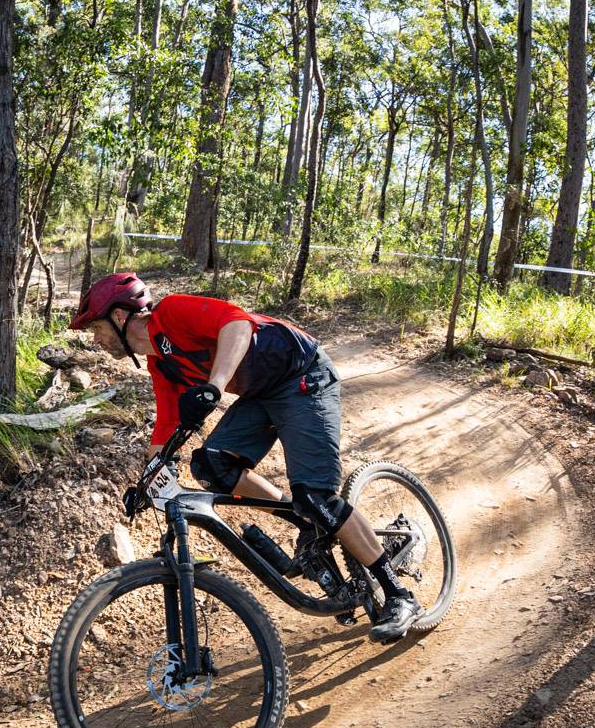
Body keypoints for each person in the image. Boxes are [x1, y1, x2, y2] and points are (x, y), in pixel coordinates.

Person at [69, 271, 420, 643]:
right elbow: (167, 426)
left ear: (119, 316)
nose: (97, 340)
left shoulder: (171, 313)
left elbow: (236, 323)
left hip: (303, 376)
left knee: (316, 496)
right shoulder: (161, 364)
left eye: (97, 329)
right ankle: (305, 523)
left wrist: (215, 385)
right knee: (212, 465)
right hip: (261, 394)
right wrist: (149, 481)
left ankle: (398, 594)